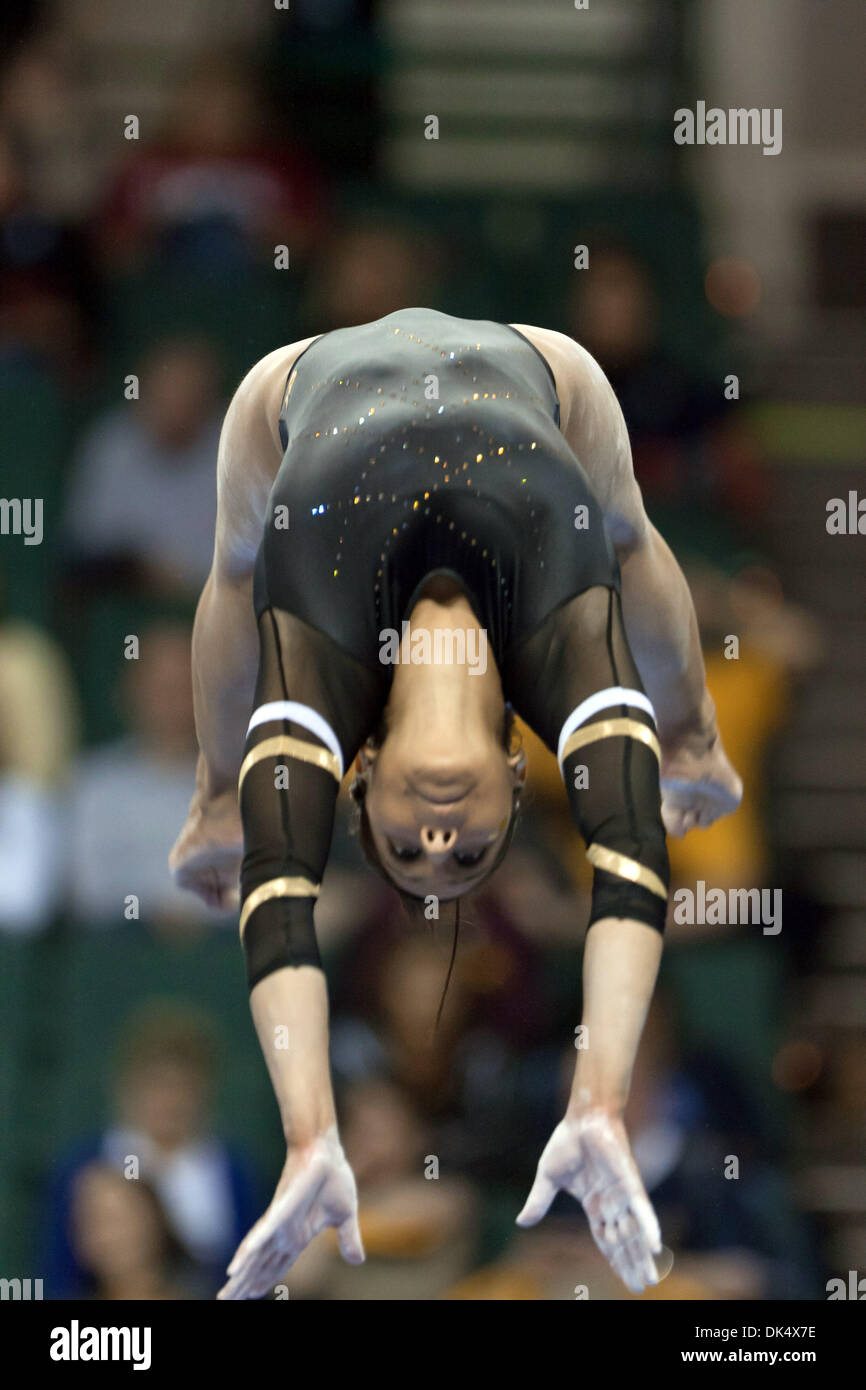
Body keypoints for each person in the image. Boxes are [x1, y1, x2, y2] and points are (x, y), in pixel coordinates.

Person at [169, 307, 742, 1299]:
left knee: (234, 564)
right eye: (463, 854)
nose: (437, 839)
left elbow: (278, 908)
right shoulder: (561, 649)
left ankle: (214, 790)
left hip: (292, 383)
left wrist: (312, 1134)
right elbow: (629, 868)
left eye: (408, 845)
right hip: (545, 375)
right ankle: (694, 734)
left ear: (358, 775)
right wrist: (597, 1100)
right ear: (519, 781)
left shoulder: (320, 680)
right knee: (623, 531)